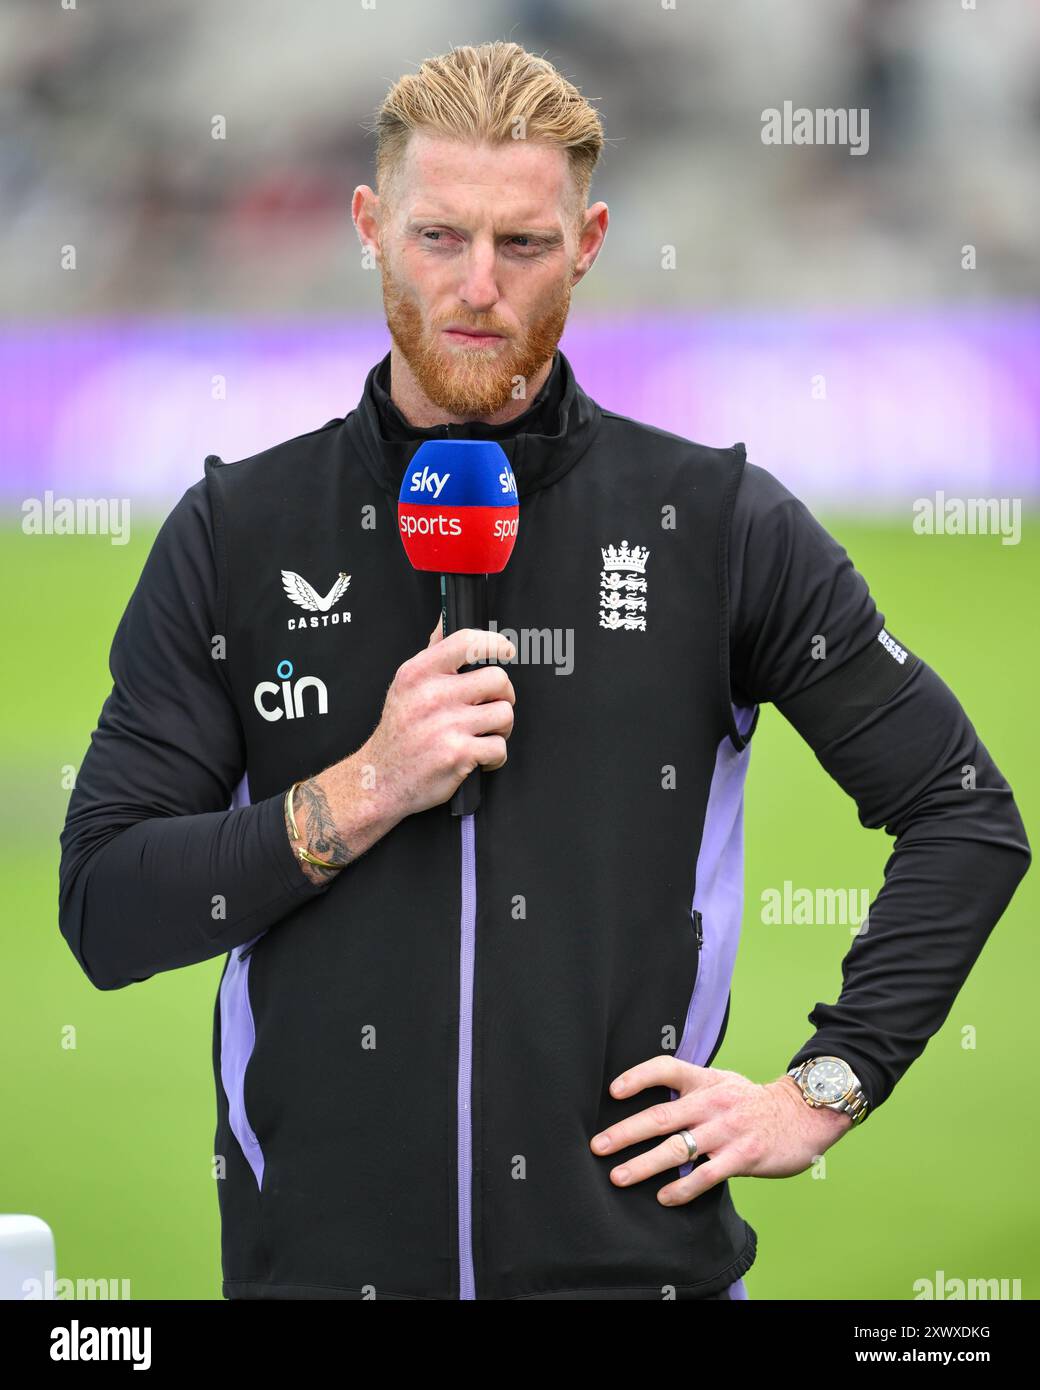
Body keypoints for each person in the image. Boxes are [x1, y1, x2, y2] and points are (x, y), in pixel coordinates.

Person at [59, 41, 1030, 1302]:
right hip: (311, 1275)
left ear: (589, 240)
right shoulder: (239, 530)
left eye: (522, 244)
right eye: (438, 235)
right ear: (368, 225)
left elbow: (961, 809)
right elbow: (105, 909)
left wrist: (824, 1084)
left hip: (634, 1278)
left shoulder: (714, 520)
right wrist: (359, 788)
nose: (477, 287)